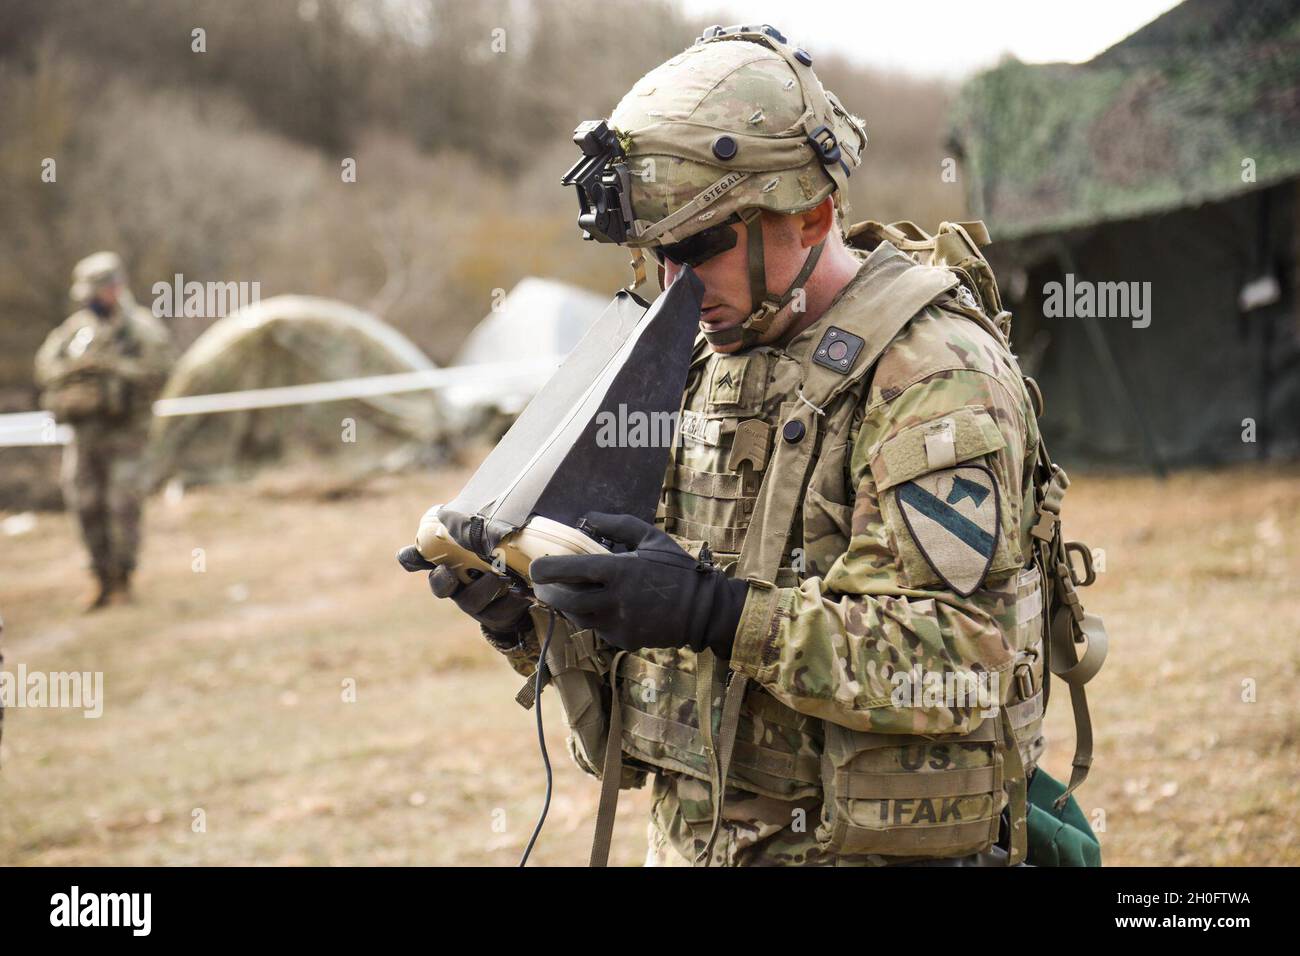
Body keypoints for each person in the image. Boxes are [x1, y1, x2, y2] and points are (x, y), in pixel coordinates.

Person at [406, 25, 1101, 866]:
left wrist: (718, 611)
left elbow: (962, 665)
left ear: (811, 213)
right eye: (656, 255)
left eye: (702, 248)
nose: (675, 288)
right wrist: (530, 619)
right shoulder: (696, 362)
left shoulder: (929, 371)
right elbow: (655, 667)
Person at [35, 252, 172, 610]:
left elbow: (159, 372)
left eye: (96, 291)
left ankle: (123, 578)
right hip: (84, 434)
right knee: (85, 504)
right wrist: (76, 371)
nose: (90, 299)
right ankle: (101, 578)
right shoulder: (75, 330)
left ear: (114, 288)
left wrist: (113, 368)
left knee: (122, 504)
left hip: (125, 433)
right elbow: (46, 366)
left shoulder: (140, 329)